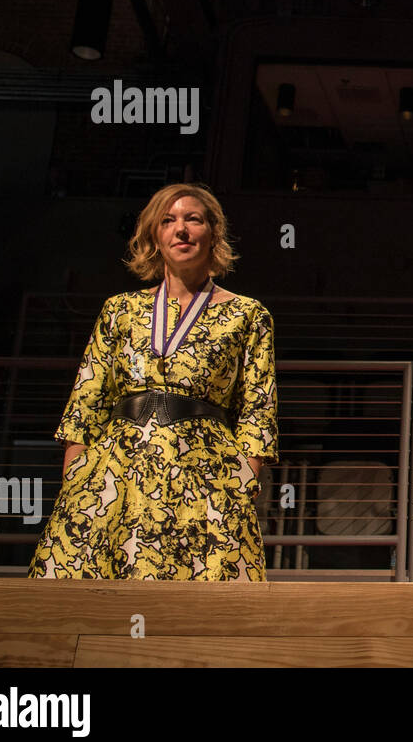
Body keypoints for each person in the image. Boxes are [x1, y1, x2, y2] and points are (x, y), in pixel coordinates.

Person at [29, 183, 278, 580]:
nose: (180, 229)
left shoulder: (247, 314)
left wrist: (244, 477)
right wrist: (76, 478)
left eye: (193, 219)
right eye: (168, 221)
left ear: (212, 233)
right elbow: (87, 399)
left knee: (207, 588)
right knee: (82, 586)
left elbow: (258, 406)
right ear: (153, 237)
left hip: (205, 469)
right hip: (116, 465)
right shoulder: (120, 309)